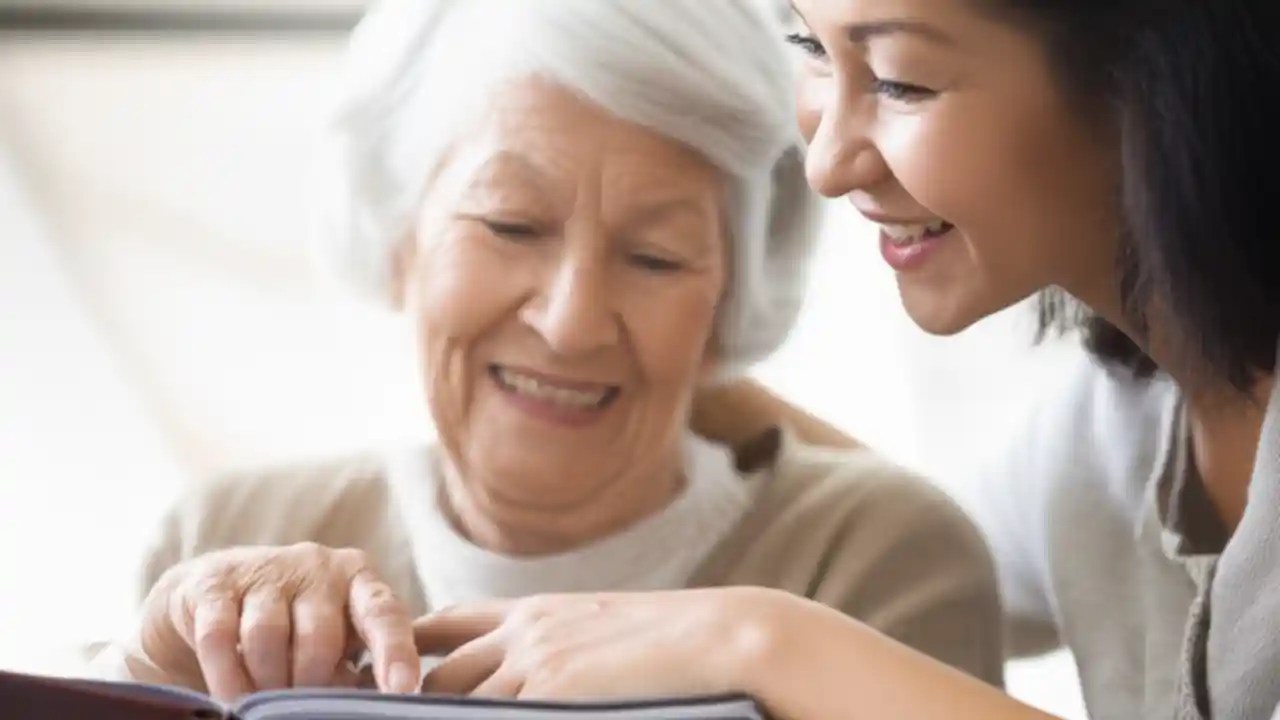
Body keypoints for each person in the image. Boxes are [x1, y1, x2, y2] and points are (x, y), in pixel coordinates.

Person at [84, 0, 1004, 702]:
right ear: (401, 239)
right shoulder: (227, 538)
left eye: (655, 257)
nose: (572, 323)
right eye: (509, 224)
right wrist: (138, 678)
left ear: (732, 296)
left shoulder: (871, 562)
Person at [410, 1, 1280, 719]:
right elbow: (937, 540)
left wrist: (762, 642)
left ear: (1147, 84)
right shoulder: (1106, 437)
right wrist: (632, 361)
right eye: (811, 49)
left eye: (901, 81)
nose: (825, 165)